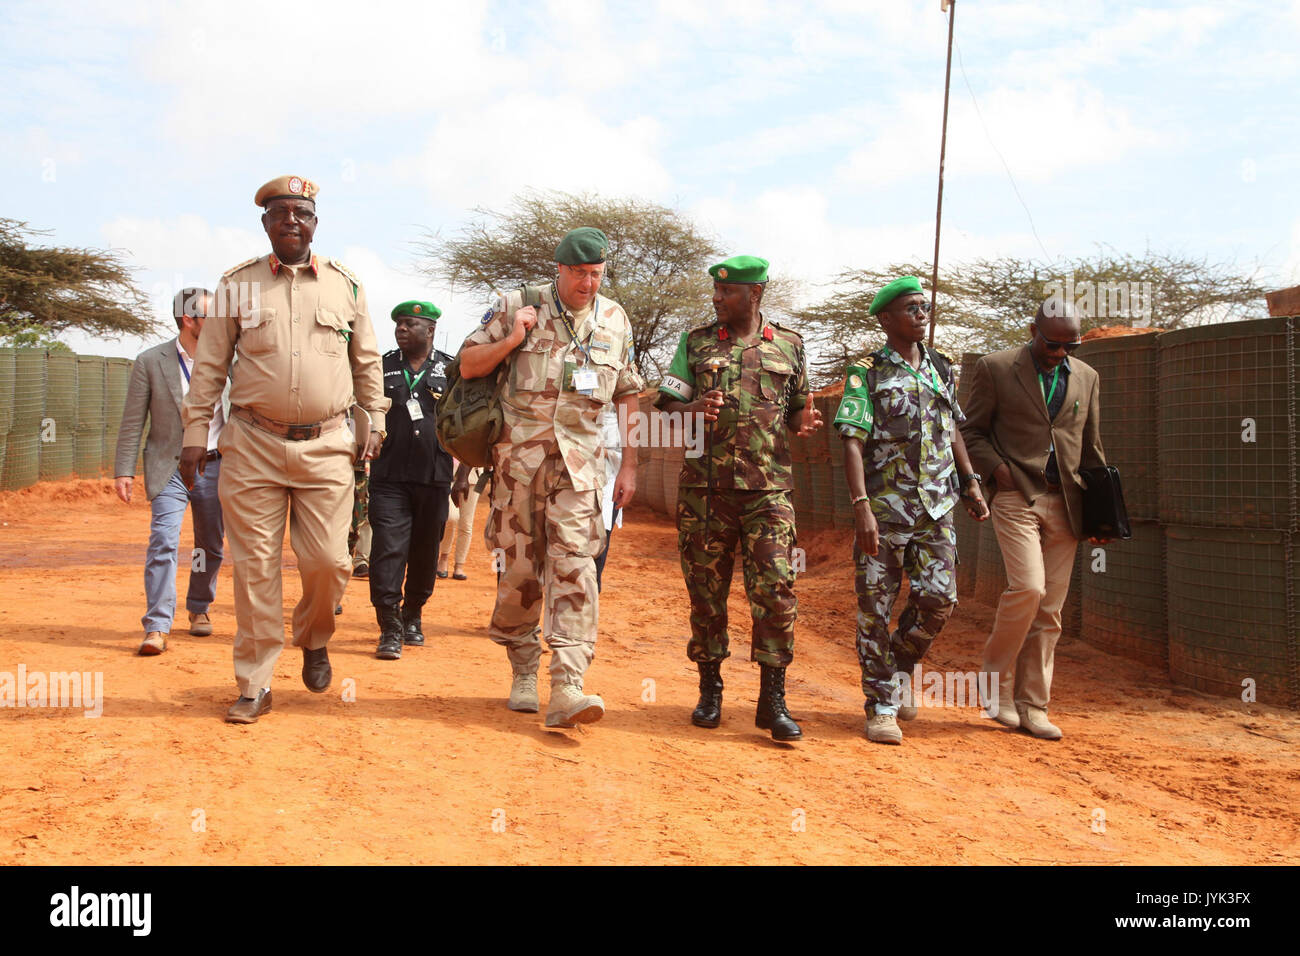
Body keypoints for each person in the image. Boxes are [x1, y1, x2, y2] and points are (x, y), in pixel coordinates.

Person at [179, 174, 388, 724]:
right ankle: (255, 682)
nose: (291, 221)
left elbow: (367, 364)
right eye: (280, 213)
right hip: (251, 446)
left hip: (327, 446)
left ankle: (314, 636)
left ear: (315, 222)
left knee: (329, 561)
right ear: (265, 223)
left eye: (301, 212)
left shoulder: (347, 287)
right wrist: (194, 433)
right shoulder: (237, 286)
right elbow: (209, 369)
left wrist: (377, 423)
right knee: (255, 569)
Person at [458, 226, 643, 728]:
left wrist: (628, 463)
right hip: (518, 465)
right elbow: (469, 366)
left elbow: (626, 388)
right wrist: (514, 337)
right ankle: (522, 669)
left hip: (580, 468)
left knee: (576, 568)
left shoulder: (614, 317)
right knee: (520, 572)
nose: (589, 284)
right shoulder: (516, 303)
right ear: (559, 269)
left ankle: (567, 684)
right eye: (580, 273)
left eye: (597, 274)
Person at [655, 255, 822, 742]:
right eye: (715, 290)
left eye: (726, 292)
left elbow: (797, 408)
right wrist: (690, 407)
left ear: (756, 293)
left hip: (769, 493)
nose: (716, 298)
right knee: (707, 595)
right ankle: (710, 690)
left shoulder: (790, 345)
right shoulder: (697, 342)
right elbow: (665, 403)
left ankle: (773, 700)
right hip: (704, 492)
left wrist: (803, 423)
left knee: (775, 591)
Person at [834, 276, 989, 745]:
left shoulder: (940, 367)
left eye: (924, 307)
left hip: (936, 508)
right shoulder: (867, 372)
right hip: (884, 511)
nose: (922, 315)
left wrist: (970, 482)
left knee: (940, 601)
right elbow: (852, 442)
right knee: (874, 611)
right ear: (886, 319)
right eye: (911, 308)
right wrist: (861, 506)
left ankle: (901, 666)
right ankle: (881, 705)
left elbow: (953, 430)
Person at [959, 298, 1108, 740]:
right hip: (1017, 495)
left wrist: (1101, 514)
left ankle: (1033, 704)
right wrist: (998, 471)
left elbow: (1092, 446)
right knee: (1028, 587)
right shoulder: (996, 367)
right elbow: (971, 431)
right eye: (1052, 343)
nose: (1060, 353)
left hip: (1069, 502)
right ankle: (994, 687)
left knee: (1051, 608)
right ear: (1032, 330)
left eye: (1070, 346)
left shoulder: (1087, 378)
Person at [113, 288, 227, 656]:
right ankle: (158, 625)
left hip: (216, 465)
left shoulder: (229, 362)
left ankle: (198, 607)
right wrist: (124, 471)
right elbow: (133, 422)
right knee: (163, 540)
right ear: (189, 320)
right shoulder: (150, 361)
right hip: (170, 467)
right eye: (211, 317)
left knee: (208, 545)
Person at [369, 300, 455, 660]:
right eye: (398, 325)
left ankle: (413, 614)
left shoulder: (451, 370)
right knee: (388, 548)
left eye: (409, 324)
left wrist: (464, 472)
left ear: (430, 331)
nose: (401, 330)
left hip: (433, 477)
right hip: (389, 476)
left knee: (424, 551)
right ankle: (389, 624)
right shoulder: (381, 366)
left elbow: (462, 422)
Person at [593, 403, 622, 591]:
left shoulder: (614, 419)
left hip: (605, 491)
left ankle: (588, 611)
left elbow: (622, 456)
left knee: (597, 553)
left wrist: (599, 451)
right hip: (567, 491)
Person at [439, 461, 483, 580]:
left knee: (466, 523)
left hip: (473, 475)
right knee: (451, 518)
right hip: (447, 473)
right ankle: (444, 557)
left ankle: (459, 565)